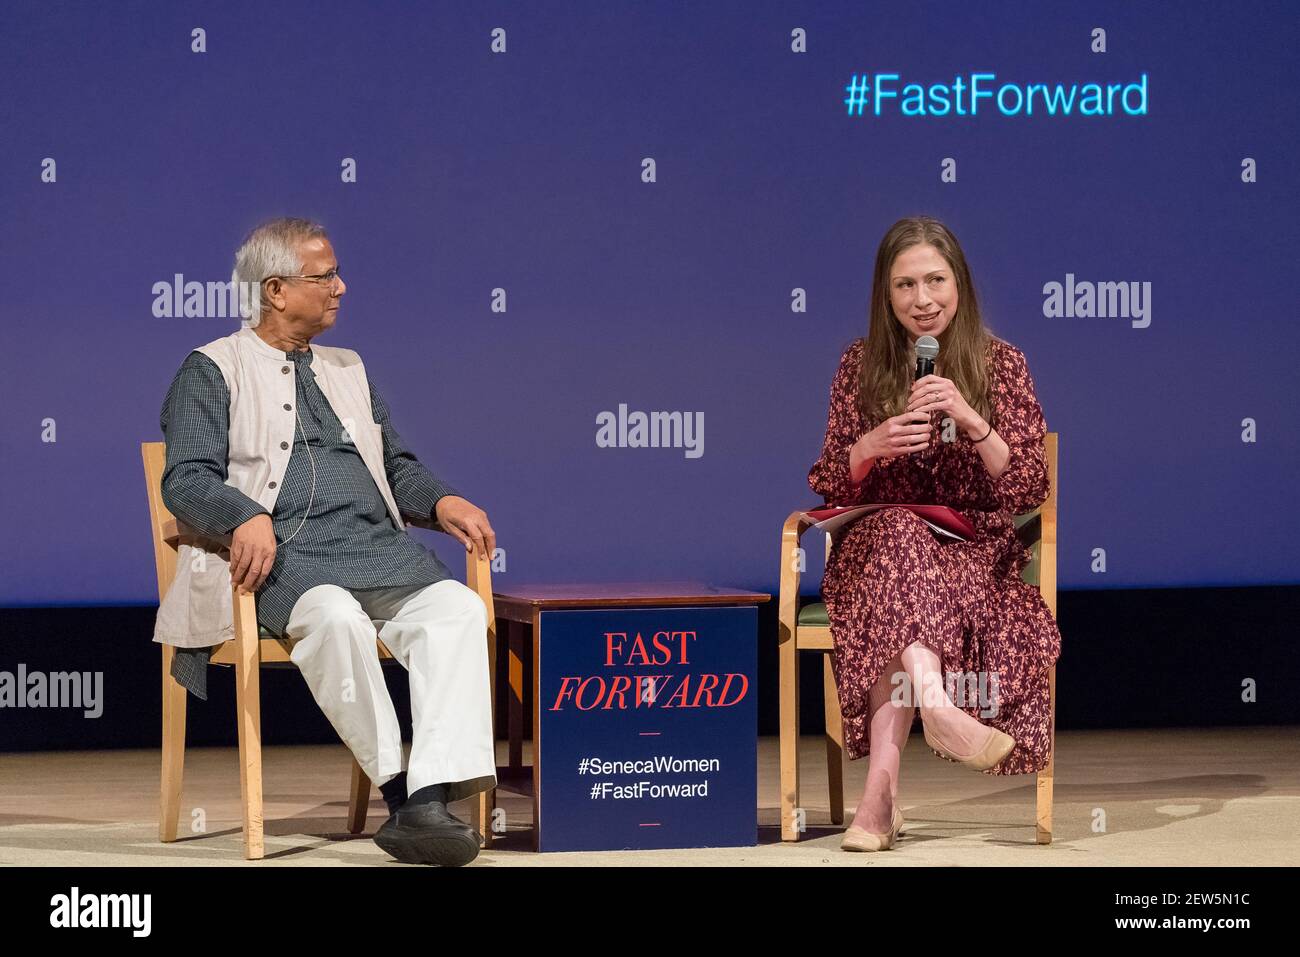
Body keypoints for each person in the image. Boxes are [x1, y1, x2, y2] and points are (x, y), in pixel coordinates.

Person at [155, 217, 497, 866]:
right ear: (276, 289)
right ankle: (400, 795)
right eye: (326, 276)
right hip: (282, 563)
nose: (341, 287)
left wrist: (442, 498)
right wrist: (242, 514)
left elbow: (394, 465)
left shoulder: (349, 368)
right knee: (336, 618)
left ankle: (429, 792)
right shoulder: (211, 368)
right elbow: (185, 479)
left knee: (458, 611)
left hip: (377, 550)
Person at [807, 215, 1062, 852]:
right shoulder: (859, 365)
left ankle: (880, 795)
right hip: (878, 550)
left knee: (906, 573)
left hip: (972, 551)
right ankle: (942, 712)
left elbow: (1030, 485)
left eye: (935, 281)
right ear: (885, 295)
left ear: (960, 284)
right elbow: (831, 478)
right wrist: (869, 446)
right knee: (896, 533)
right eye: (905, 286)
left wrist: (973, 420)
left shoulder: (1002, 364)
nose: (922, 301)